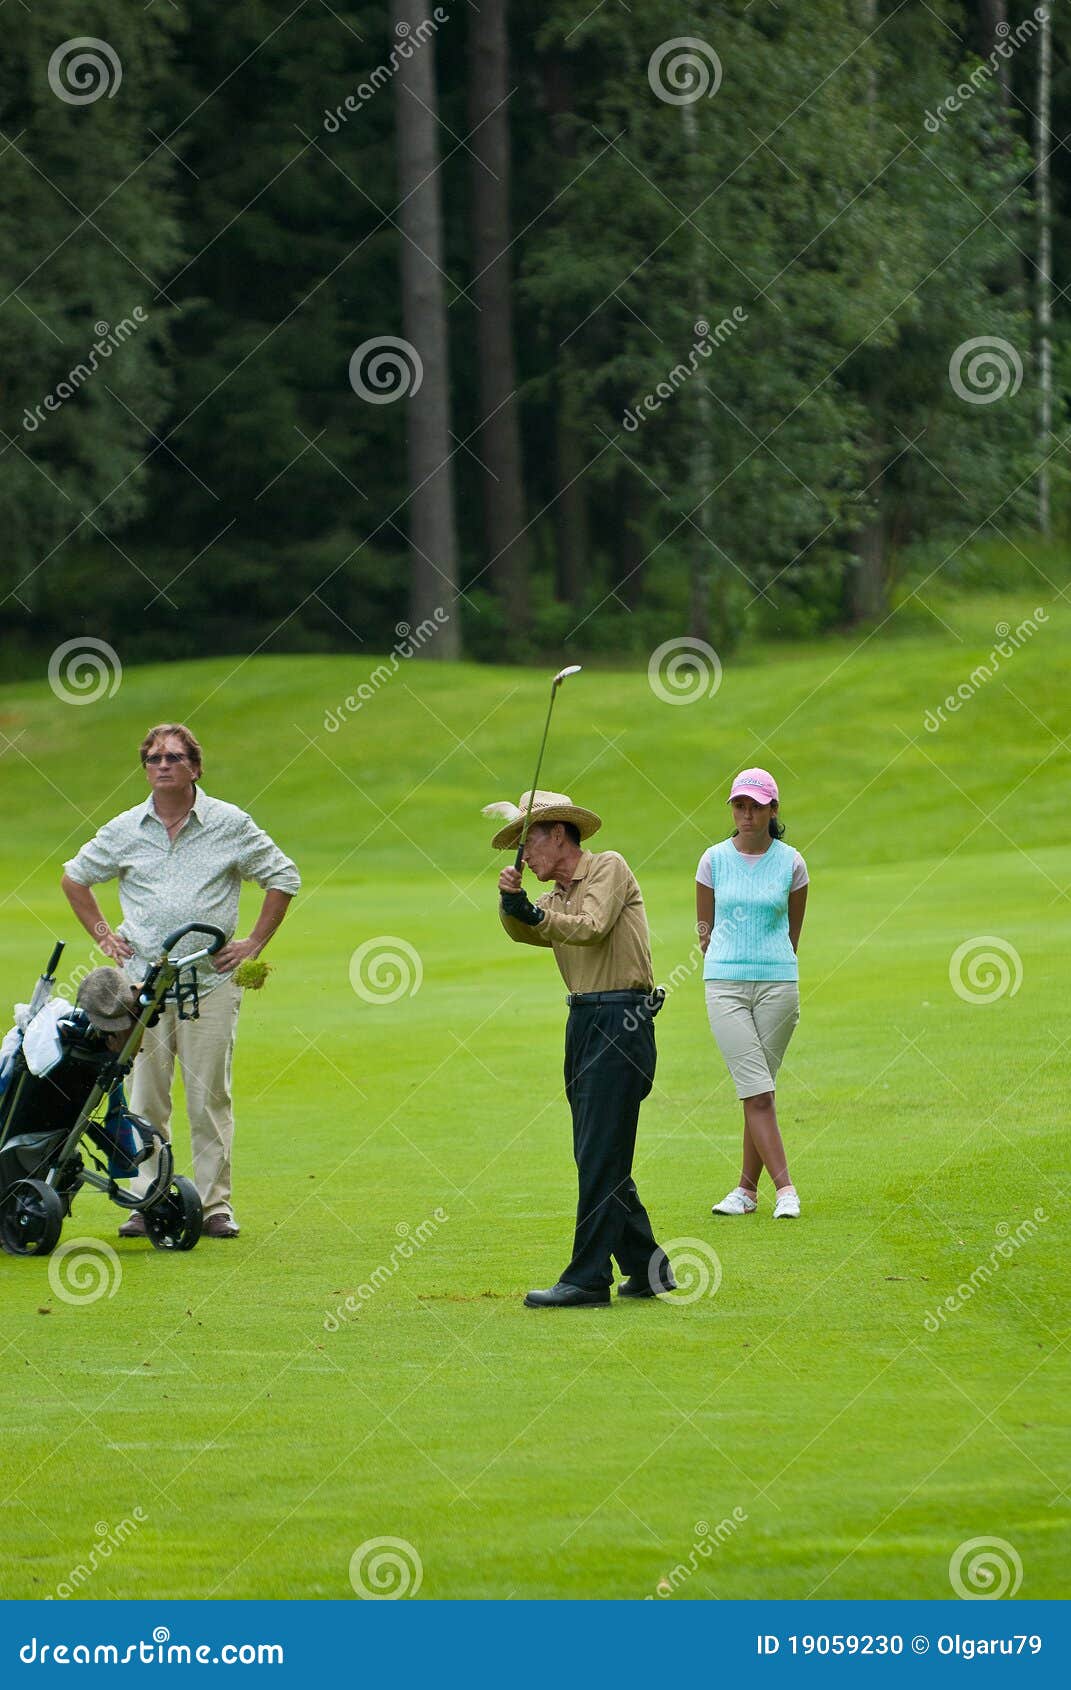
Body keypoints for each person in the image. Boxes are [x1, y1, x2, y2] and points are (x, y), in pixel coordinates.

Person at [60, 723, 300, 1238]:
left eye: (173, 757)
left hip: (209, 983)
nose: (162, 765)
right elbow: (75, 876)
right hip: (141, 986)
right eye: (152, 758)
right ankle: (149, 1201)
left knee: (209, 1097)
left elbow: (284, 877)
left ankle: (214, 1207)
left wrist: (254, 942)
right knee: (145, 1100)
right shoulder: (126, 828)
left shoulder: (229, 823)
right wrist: (105, 935)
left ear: (195, 766)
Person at [489, 789, 674, 1308]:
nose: (524, 856)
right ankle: (648, 1268)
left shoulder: (607, 869)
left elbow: (590, 929)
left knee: (598, 1152)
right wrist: (513, 905)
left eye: (529, 844)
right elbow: (529, 933)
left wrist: (529, 909)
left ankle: (588, 1278)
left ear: (559, 835)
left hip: (623, 1018)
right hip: (585, 1022)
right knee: (597, 1151)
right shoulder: (554, 897)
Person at [697, 768, 808, 1220]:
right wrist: (726, 961)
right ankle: (786, 1189)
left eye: (756, 806)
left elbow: (792, 932)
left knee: (756, 1090)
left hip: (778, 985)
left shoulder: (792, 863)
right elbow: (704, 930)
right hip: (724, 986)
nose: (746, 814)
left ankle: (745, 1191)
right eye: (739, 806)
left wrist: (770, 962)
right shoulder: (713, 860)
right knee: (757, 1092)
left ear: (772, 810)